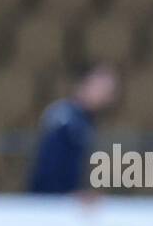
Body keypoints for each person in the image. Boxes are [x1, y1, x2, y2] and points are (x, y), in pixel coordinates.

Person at [27, 63, 119, 196]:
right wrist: (69, 195)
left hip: (62, 201)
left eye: (110, 91)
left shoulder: (84, 121)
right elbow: (49, 168)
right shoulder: (65, 120)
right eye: (102, 88)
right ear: (84, 84)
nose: (107, 96)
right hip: (48, 202)